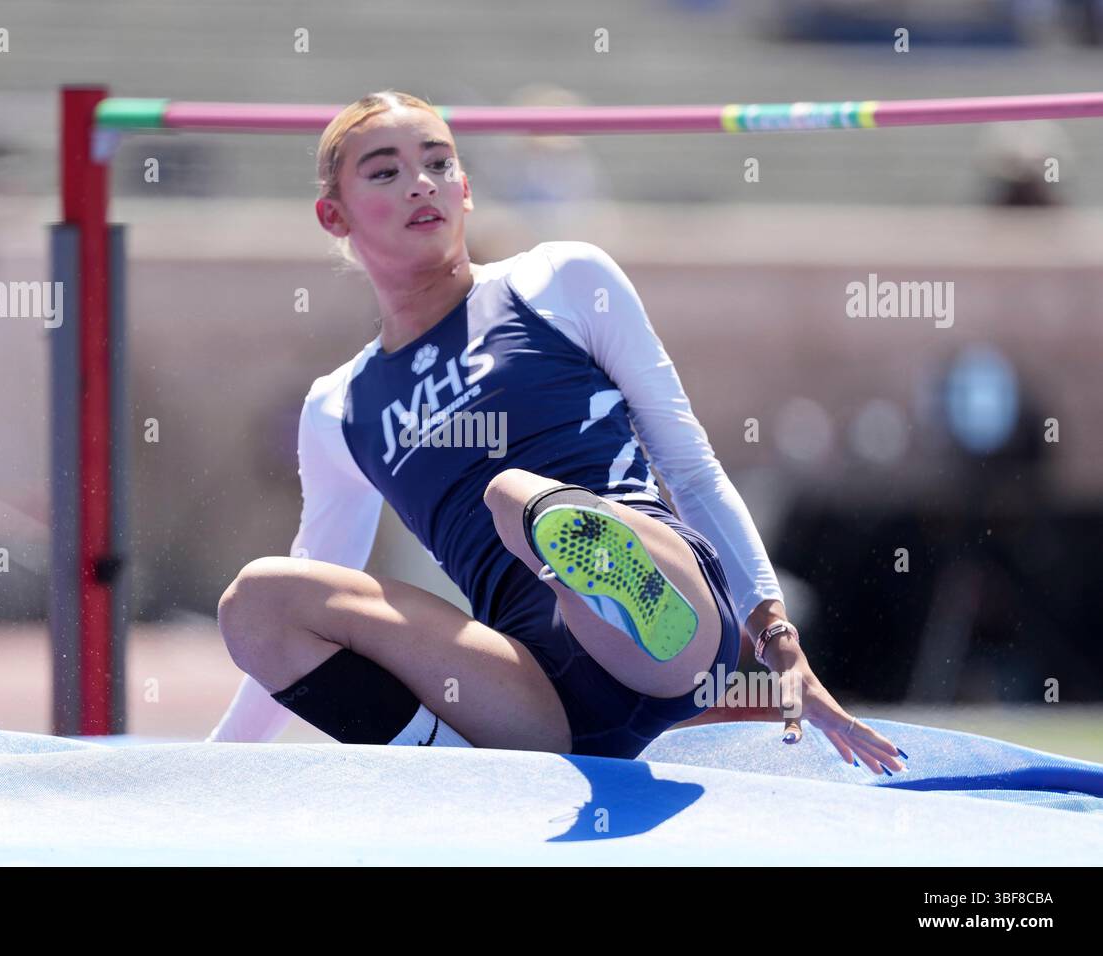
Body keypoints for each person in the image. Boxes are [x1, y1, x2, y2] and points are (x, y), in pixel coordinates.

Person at [210, 90, 904, 770]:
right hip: (531, 690)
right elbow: (321, 596)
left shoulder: (560, 280)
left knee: (515, 497)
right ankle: (460, 771)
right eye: (386, 171)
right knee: (261, 599)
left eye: (439, 163)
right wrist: (208, 769)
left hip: (674, 631)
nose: (422, 184)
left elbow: (691, 470)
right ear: (334, 216)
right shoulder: (339, 407)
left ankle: (603, 577)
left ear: (467, 190)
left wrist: (779, 641)